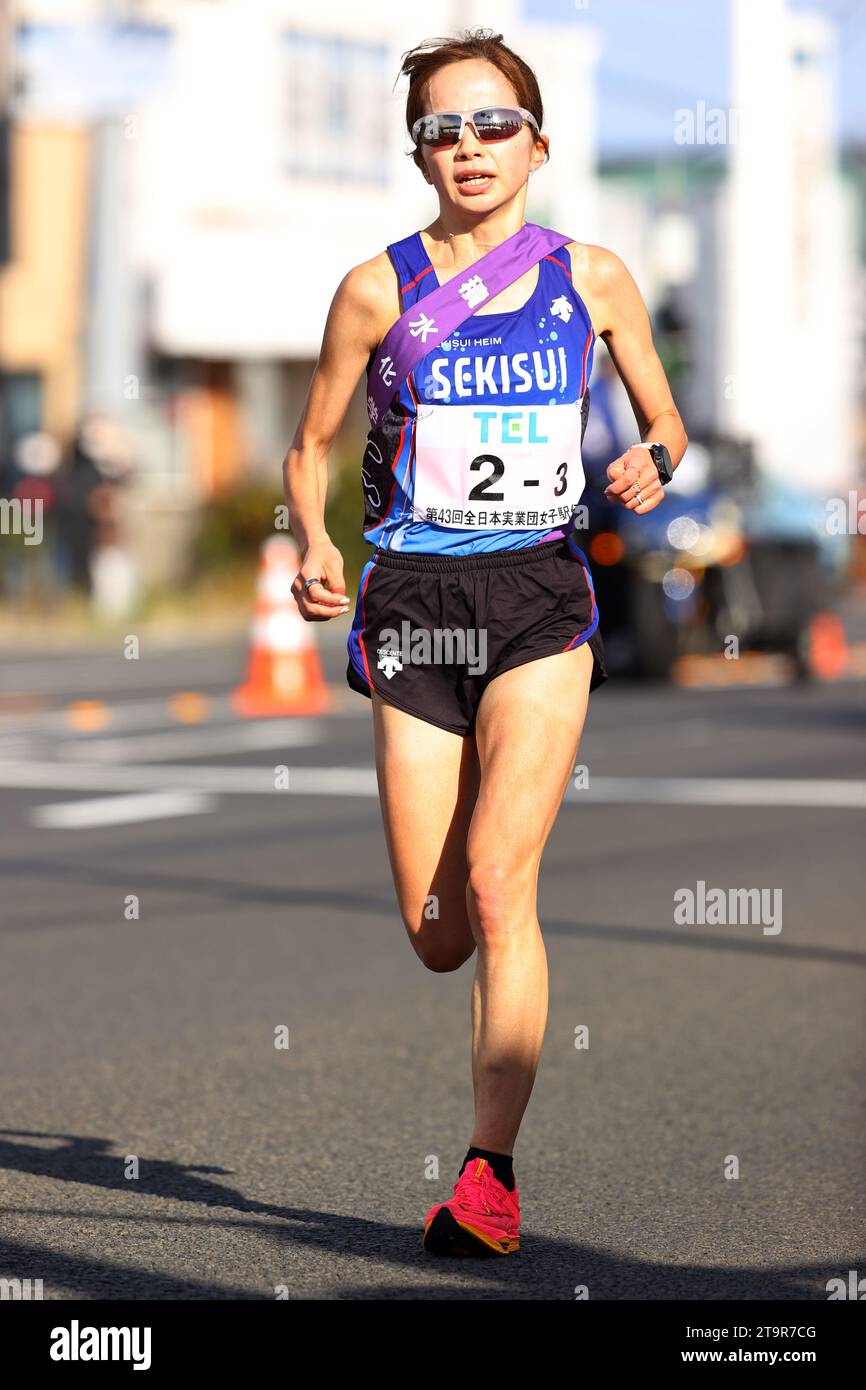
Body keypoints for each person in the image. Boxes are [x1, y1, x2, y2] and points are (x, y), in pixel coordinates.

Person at [284, 28, 688, 1257]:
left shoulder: (594, 277)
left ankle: (486, 1175)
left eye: (491, 123)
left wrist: (650, 459)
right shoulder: (375, 288)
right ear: (417, 153)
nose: (468, 147)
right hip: (408, 604)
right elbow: (308, 445)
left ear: (537, 142)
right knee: (437, 929)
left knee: (503, 884)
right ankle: (457, 931)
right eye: (442, 130)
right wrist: (312, 543)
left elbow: (664, 420)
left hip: (536, 600)